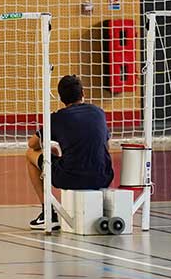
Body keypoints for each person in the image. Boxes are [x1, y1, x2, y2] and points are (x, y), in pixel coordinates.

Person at [24, 75, 114, 230]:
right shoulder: (98, 112)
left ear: (61, 98)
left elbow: (32, 144)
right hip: (103, 177)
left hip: (71, 177)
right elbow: (106, 146)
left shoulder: (58, 118)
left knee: (30, 155)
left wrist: (48, 145)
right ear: (83, 93)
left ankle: (48, 213)